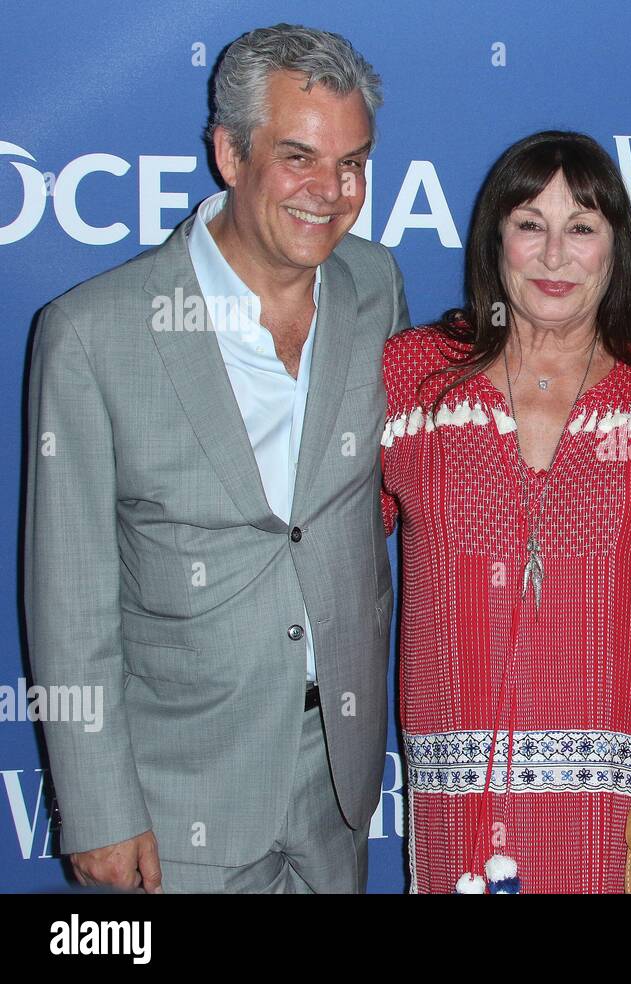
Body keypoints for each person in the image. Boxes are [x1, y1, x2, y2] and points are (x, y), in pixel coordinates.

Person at [24, 23, 410, 893]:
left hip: (336, 789)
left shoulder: (375, 287)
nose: (331, 192)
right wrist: (97, 809)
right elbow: (68, 596)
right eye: (299, 157)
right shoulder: (92, 332)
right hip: (173, 798)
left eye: (353, 163)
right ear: (229, 153)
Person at [381, 130, 631, 894]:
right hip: (461, 811)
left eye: (582, 229)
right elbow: (330, 551)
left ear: (615, 248)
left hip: (628, 809)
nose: (555, 256)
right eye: (531, 224)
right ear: (496, 239)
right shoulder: (413, 371)